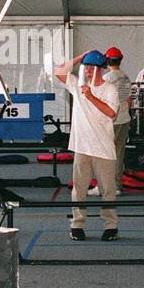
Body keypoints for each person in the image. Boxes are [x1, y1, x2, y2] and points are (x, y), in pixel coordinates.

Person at [54, 50, 120, 241]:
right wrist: (82, 56)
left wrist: (90, 96)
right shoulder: (77, 85)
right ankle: (77, 224)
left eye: (92, 68)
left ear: (101, 69)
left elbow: (111, 113)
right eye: (86, 67)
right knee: (79, 189)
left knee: (108, 190)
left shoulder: (110, 89)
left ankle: (111, 225)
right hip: (82, 147)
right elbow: (59, 71)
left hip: (103, 148)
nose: (88, 71)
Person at [103, 47, 132, 190]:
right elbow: (129, 100)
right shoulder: (126, 77)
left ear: (107, 60)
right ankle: (117, 186)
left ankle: (106, 186)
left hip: (110, 121)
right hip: (124, 118)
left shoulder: (107, 78)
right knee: (119, 153)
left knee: (105, 154)